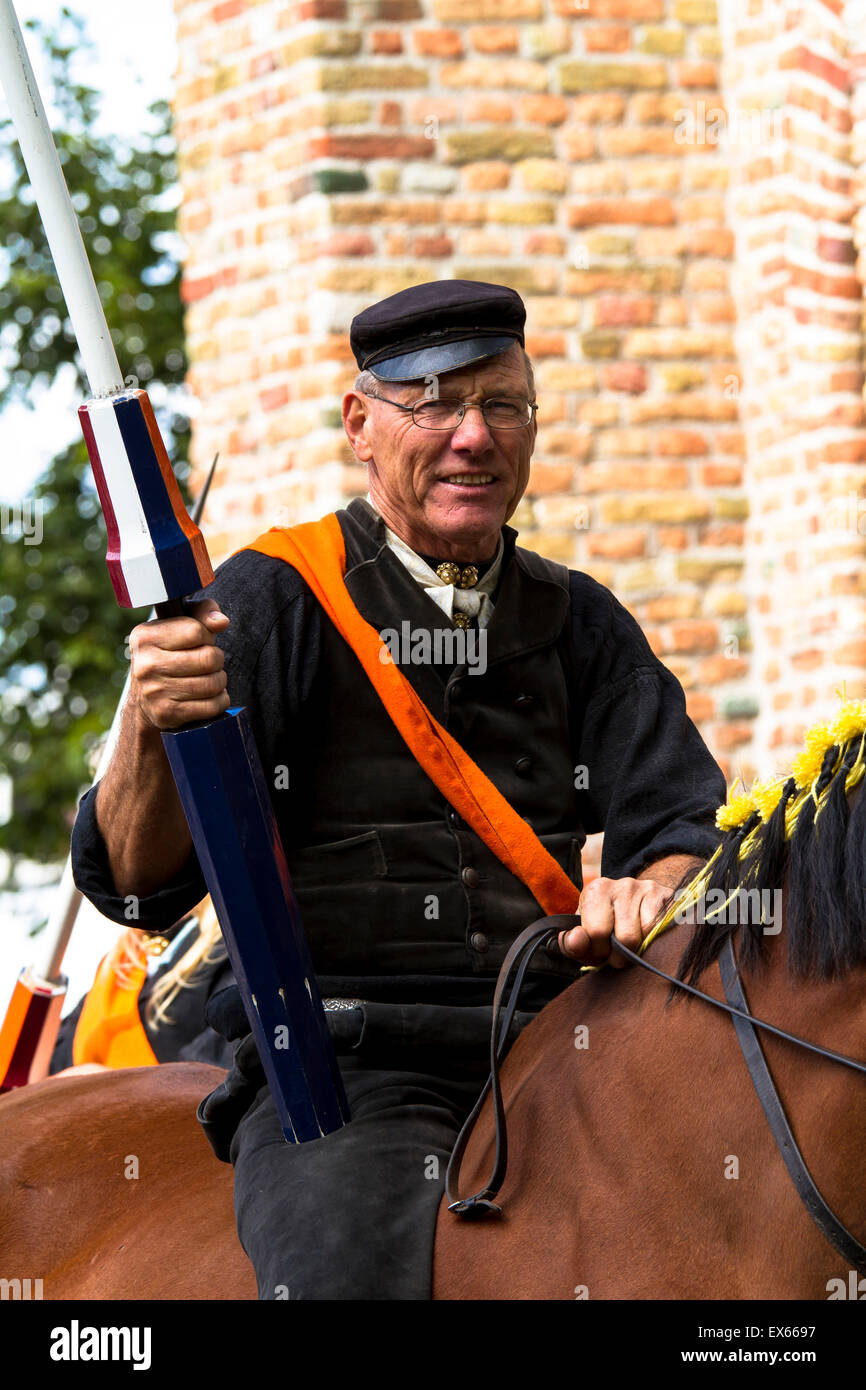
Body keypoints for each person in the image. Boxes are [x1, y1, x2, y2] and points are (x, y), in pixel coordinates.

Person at [71, 278, 726, 1299]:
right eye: (432, 403)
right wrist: (149, 724)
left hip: (563, 1043)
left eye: (500, 404)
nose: (472, 436)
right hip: (342, 1069)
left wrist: (649, 889)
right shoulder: (272, 597)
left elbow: (681, 831)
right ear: (359, 425)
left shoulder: (583, 621)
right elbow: (138, 884)